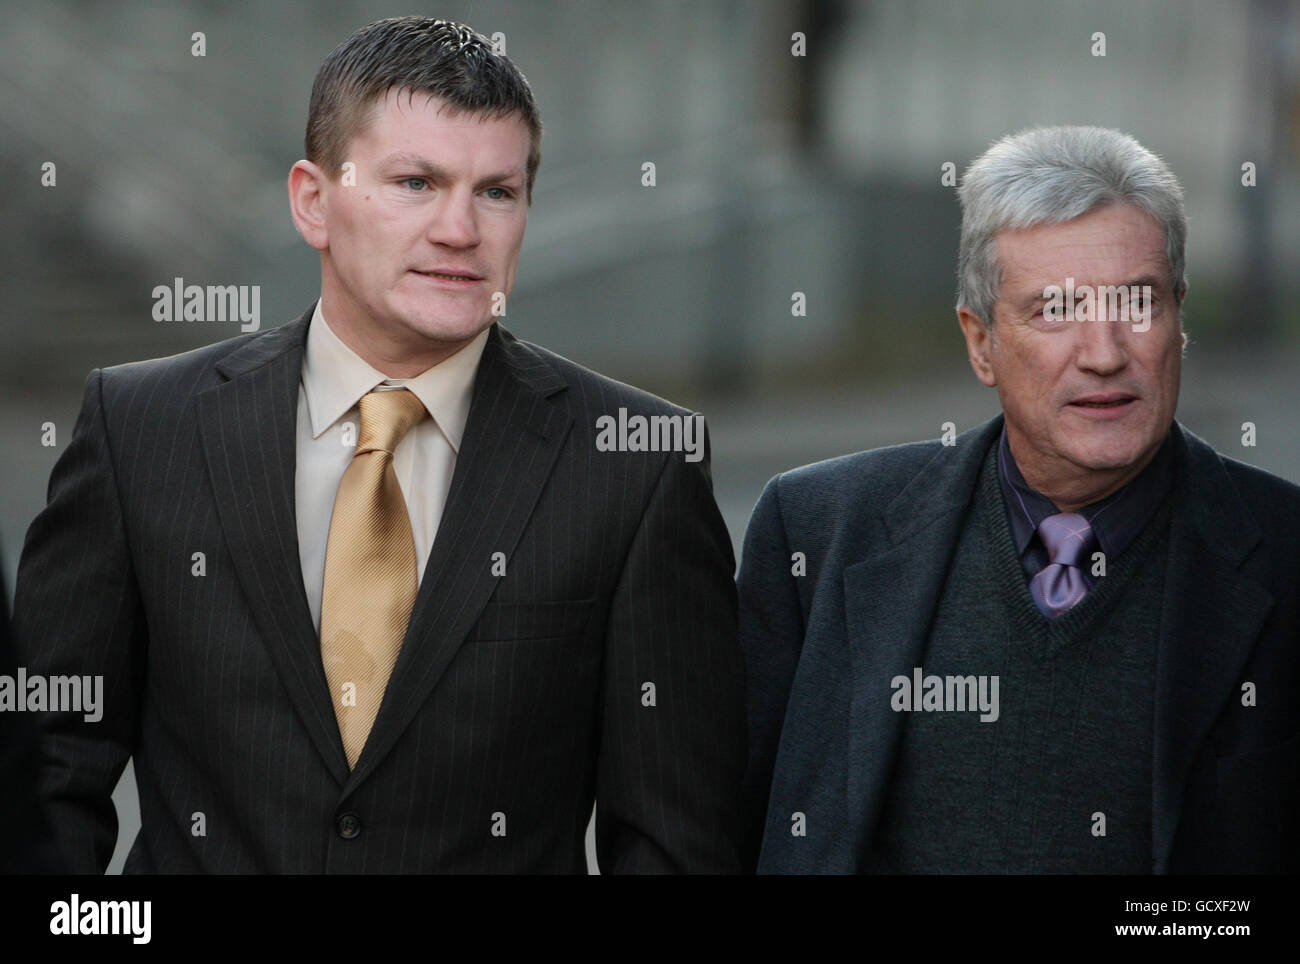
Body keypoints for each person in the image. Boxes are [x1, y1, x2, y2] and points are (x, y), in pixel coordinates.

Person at [13, 17, 744, 874]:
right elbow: (44, 781)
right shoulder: (141, 427)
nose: (460, 230)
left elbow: (677, 839)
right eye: (416, 183)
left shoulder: (636, 463)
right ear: (312, 202)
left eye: (496, 192)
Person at [739, 125, 1299, 874]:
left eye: (1138, 304)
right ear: (980, 342)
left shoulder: (1285, 553)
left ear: (1179, 319)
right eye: (1055, 311)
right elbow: (730, 831)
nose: (1104, 354)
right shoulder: (817, 529)